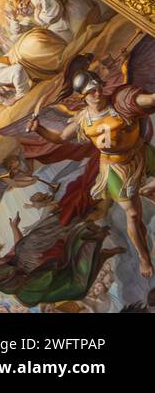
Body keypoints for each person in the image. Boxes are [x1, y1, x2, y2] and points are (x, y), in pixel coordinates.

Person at [28, 70, 155, 277]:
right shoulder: (83, 119)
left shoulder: (119, 102)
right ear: (83, 96)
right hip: (116, 167)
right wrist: (39, 129)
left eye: (98, 89)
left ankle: (148, 190)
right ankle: (143, 257)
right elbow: (60, 137)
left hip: (140, 152)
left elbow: (148, 99)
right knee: (132, 214)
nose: (97, 94)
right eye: (91, 92)